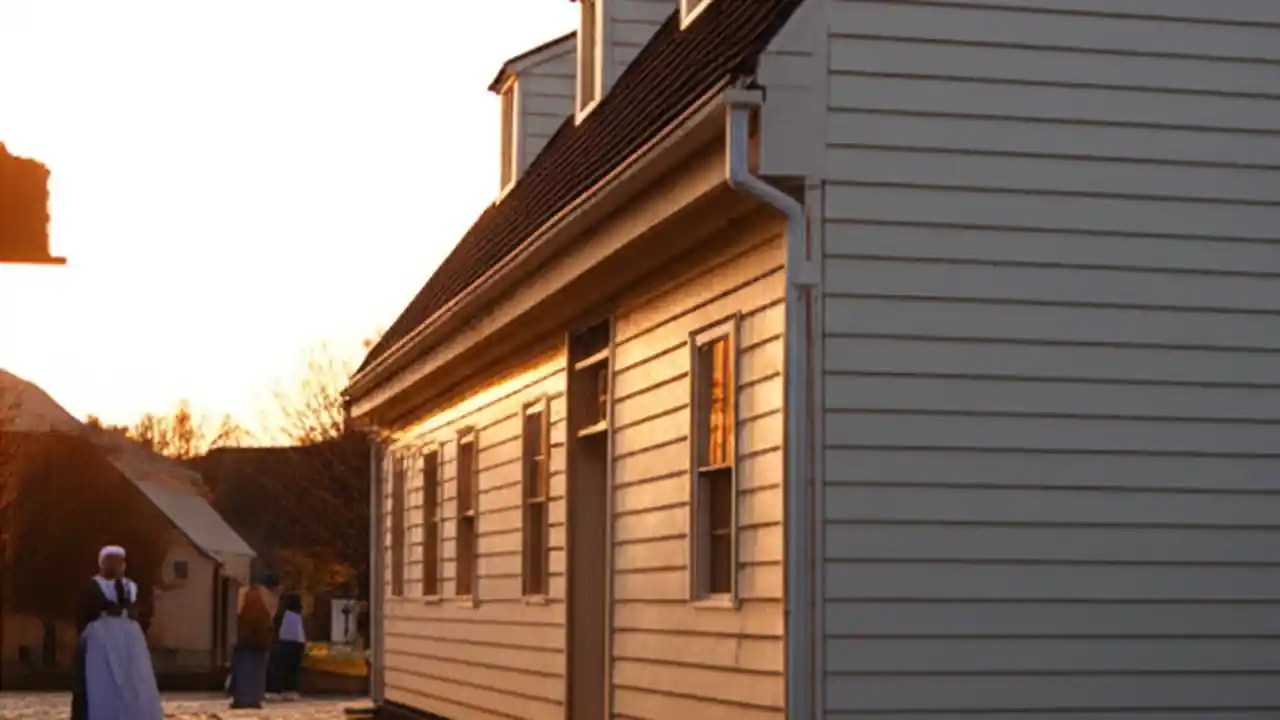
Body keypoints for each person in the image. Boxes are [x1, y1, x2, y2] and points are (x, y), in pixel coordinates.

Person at [71, 545, 163, 720]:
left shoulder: (132, 586)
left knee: (134, 679)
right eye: (112, 562)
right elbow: (83, 614)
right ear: (103, 564)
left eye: (120, 562)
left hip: (129, 639)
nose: (117, 566)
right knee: (103, 678)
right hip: (101, 638)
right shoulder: (93, 587)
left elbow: (143, 611)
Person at [229, 581, 273, 709]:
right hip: (259, 647)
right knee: (257, 674)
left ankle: (242, 699)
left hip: (245, 647)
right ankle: (255, 698)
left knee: (243, 673)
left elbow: (240, 631)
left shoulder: (244, 615)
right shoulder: (264, 615)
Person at [275, 593, 307, 701]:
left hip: (285, 642)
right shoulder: (296, 616)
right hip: (295, 644)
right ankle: (292, 690)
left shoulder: (284, 615)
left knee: (285, 668)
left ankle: (285, 689)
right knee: (294, 668)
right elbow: (299, 633)